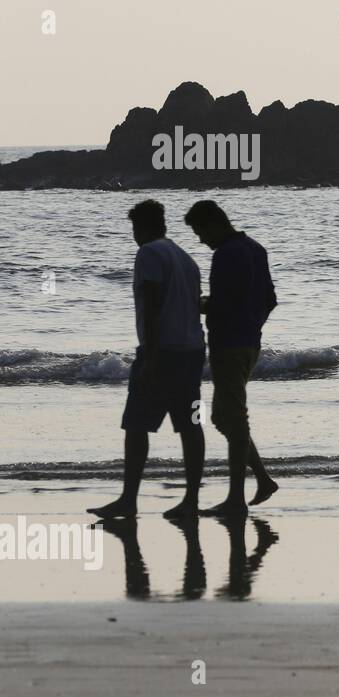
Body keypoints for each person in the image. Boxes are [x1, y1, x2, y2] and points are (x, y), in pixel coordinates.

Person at [89, 200, 206, 519]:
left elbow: (153, 303)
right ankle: (191, 500)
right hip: (192, 351)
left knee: (137, 425)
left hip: (163, 351)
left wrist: (151, 356)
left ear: (142, 226)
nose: (133, 235)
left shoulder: (149, 253)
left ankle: (129, 499)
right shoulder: (186, 258)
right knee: (191, 425)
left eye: (134, 228)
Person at [184, 200, 279, 518]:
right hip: (250, 342)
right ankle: (263, 480)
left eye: (199, 232)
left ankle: (236, 498)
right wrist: (252, 324)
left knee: (234, 418)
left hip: (229, 344)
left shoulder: (225, 254)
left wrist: (193, 303)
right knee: (224, 417)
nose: (200, 239)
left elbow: (222, 303)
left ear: (213, 223)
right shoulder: (255, 248)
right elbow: (270, 299)